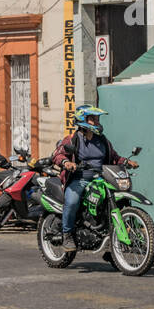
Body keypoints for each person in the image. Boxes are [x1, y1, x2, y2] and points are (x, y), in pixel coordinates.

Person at [51, 106, 138, 251]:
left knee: (119, 199)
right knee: (72, 201)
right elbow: (57, 155)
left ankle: (111, 238)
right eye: (92, 119)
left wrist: (126, 162)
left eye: (97, 118)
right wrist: (67, 163)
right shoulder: (72, 139)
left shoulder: (102, 140)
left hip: (102, 177)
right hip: (80, 179)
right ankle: (67, 233)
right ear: (82, 120)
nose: (96, 122)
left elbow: (114, 157)